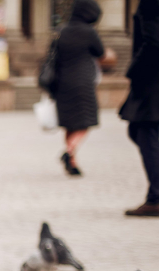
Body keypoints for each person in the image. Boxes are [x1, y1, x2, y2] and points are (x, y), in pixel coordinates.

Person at [121, 0, 159, 217]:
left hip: (153, 78)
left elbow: (154, 43)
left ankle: (158, 195)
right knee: (142, 129)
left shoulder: (152, 2)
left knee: (142, 129)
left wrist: (134, 71)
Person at [53, 0, 105, 177]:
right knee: (85, 122)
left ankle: (73, 161)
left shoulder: (63, 31)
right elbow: (100, 52)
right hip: (83, 82)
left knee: (69, 123)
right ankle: (69, 151)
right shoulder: (89, 32)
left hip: (62, 82)